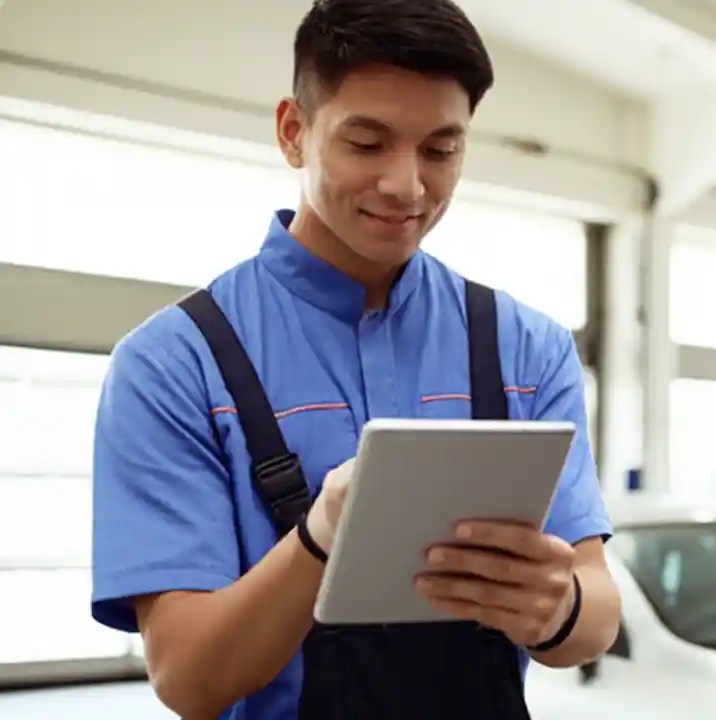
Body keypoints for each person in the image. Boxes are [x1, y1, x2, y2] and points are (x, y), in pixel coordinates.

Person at [89, 1, 620, 718]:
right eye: (367, 143)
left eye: (440, 150)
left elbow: (595, 616)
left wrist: (555, 610)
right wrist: (319, 538)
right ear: (293, 131)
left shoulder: (529, 348)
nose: (407, 186)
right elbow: (188, 678)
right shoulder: (173, 365)